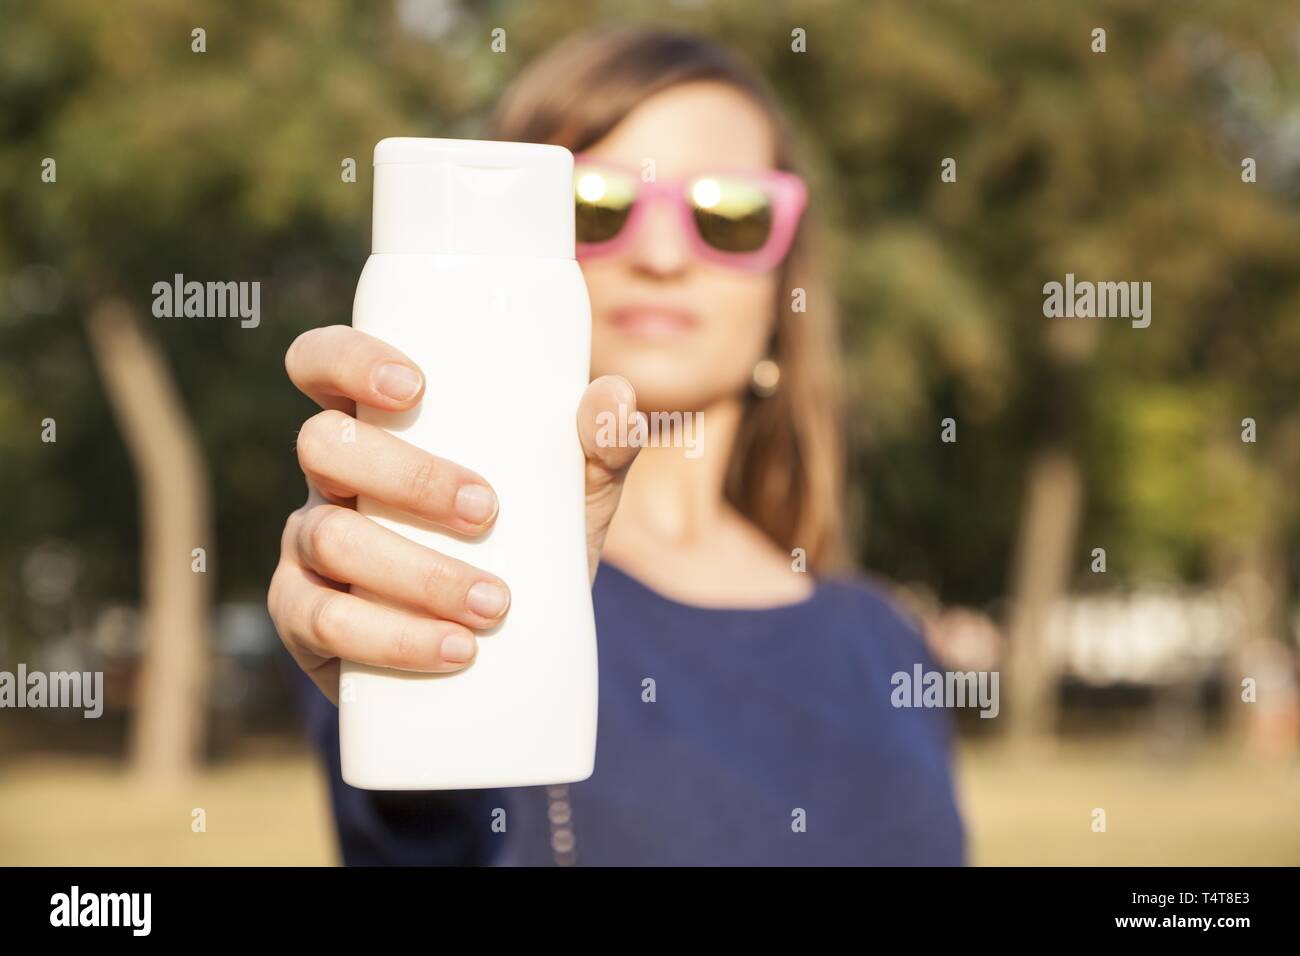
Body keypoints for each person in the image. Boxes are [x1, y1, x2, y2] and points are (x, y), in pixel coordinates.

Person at [268, 27, 965, 865]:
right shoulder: (428, 580)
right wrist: (405, 692)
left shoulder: (884, 639)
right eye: (595, 206)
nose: (663, 256)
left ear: (785, 288)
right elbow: (429, 835)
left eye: (728, 214)